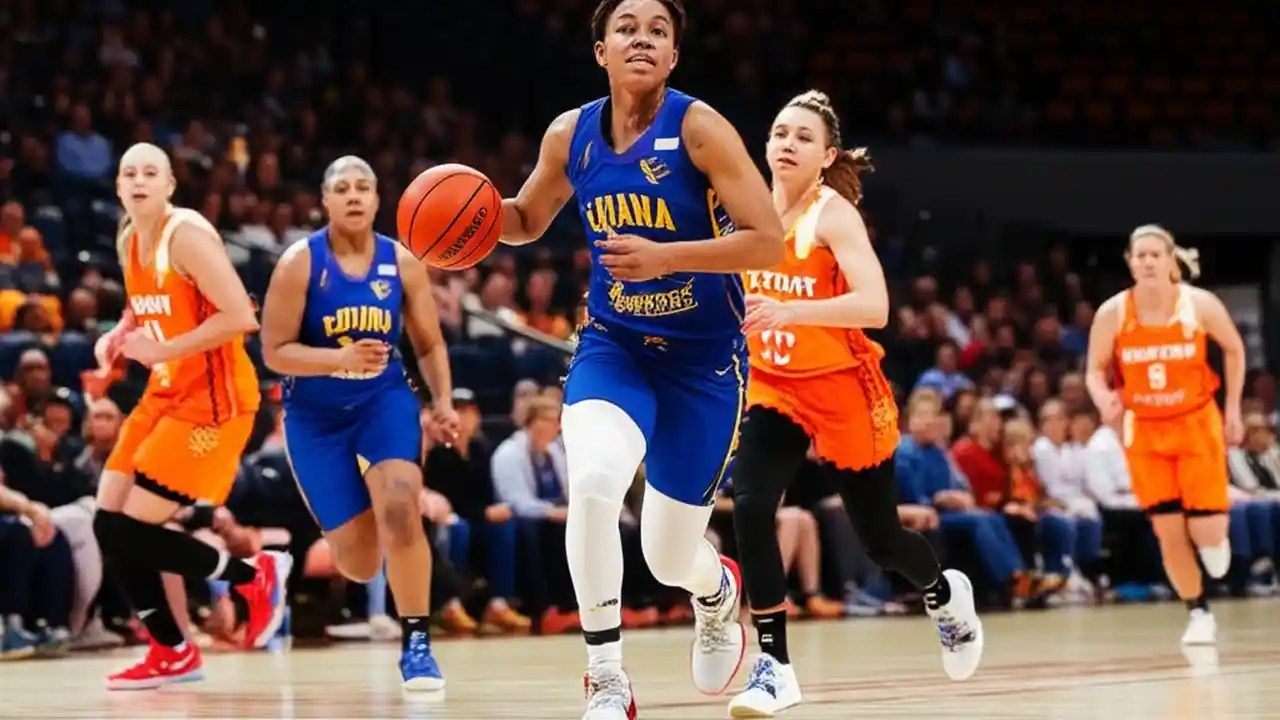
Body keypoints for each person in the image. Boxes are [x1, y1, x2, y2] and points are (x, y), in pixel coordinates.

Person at [498, 1, 785, 716]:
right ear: (601, 50)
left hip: (703, 363)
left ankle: (715, 591)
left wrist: (667, 257)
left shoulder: (700, 129)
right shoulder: (570, 134)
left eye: (659, 31)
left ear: (674, 56)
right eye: (627, 28)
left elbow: (768, 241)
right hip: (614, 345)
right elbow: (525, 218)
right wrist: (461, 222)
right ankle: (606, 676)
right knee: (594, 482)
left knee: (666, 556)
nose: (642, 39)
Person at [726, 90, 984, 716]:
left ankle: (944, 594)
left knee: (882, 540)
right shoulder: (743, 208)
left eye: (803, 137)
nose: (788, 144)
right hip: (775, 384)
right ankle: (774, 666)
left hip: (842, 386)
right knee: (752, 506)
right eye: (780, 133)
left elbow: (876, 306)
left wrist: (792, 311)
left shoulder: (833, 215)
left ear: (826, 156)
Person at [91, 143, 289, 690]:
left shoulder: (188, 235)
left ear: (170, 185)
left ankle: (254, 575)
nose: (139, 181)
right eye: (129, 173)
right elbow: (145, 303)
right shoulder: (129, 236)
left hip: (213, 402)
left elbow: (240, 315)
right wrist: (120, 334)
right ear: (118, 186)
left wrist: (162, 349)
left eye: (150, 172)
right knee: (108, 525)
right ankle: (173, 652)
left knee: (131, 528)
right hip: (165, 391)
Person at [259, 155, 460, 690]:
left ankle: (416, 644)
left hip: (383, 402)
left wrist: (442, 401)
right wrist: (338, 359)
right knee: (361, 562)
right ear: (325, 201)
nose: (353, 195)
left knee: (401, 507)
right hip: (315, 417)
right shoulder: (299, 263)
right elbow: (274, 351)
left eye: (363, 187)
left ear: (376, 200)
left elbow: (429, 344)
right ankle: (366, 524)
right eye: (342, 187)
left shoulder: (402, 262)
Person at [1085, 223, 1246, 645]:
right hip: (1145, 430)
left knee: (1208, 537)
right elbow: (1094, 371)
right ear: (1130, 263)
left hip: (1196, 423)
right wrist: (1103, 397)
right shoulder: (1114, 313)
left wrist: (1232, 409)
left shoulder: (1199, 304)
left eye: (1155, 254)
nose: (1148, 262)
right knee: (1168, 531)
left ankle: (1214, 540)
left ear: (1171, 260)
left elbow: (1234, 348)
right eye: (1140, 255)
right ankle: (1198, 612)